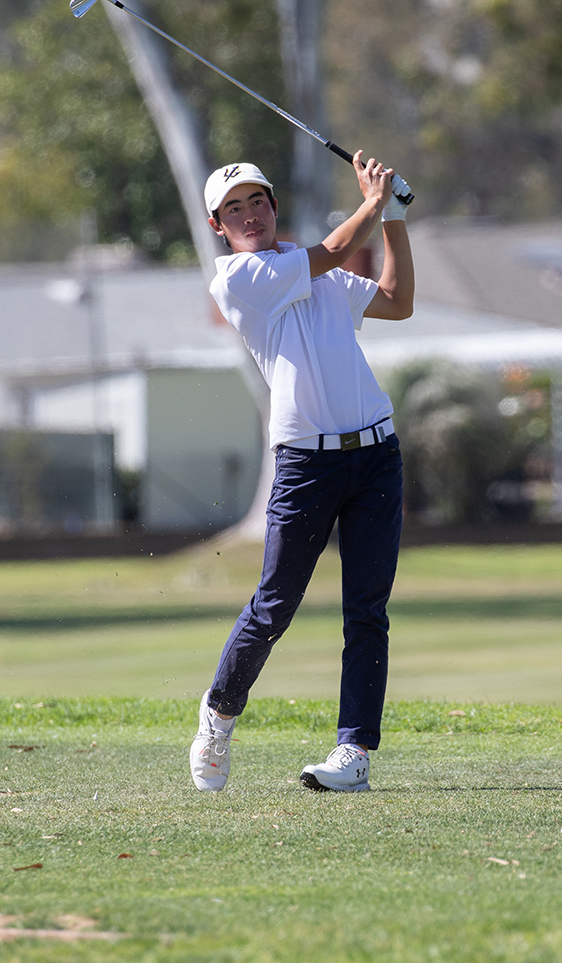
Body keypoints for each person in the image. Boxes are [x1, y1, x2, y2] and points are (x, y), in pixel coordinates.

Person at [191, 153, 414, 793]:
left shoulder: (322, 274)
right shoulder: (238, 279)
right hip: (306, 464)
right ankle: (219, 715)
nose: (248, 214)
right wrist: (372, 201)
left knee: (367, 610)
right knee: (275, 604)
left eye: (256, 201)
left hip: (376, 455)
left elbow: (398, 302)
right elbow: (334, 248)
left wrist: (392, 217)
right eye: (233, 208)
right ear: (217, 225)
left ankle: (354, 754)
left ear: (272, 207)